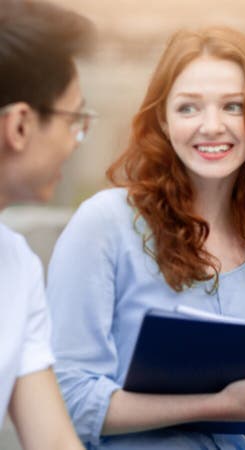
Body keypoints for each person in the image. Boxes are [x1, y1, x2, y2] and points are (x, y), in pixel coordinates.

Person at [46, 27, 245, 449]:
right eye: (188, 108)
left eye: (234, 107)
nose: (211, 126)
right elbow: (65, 402)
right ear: (164, 122)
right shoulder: (106, 223)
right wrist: (217, 405)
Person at [0, 1, 94, 448]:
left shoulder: (17, 265)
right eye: (74, 120)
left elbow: (53, 440)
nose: (76, 142)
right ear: (19, 125)